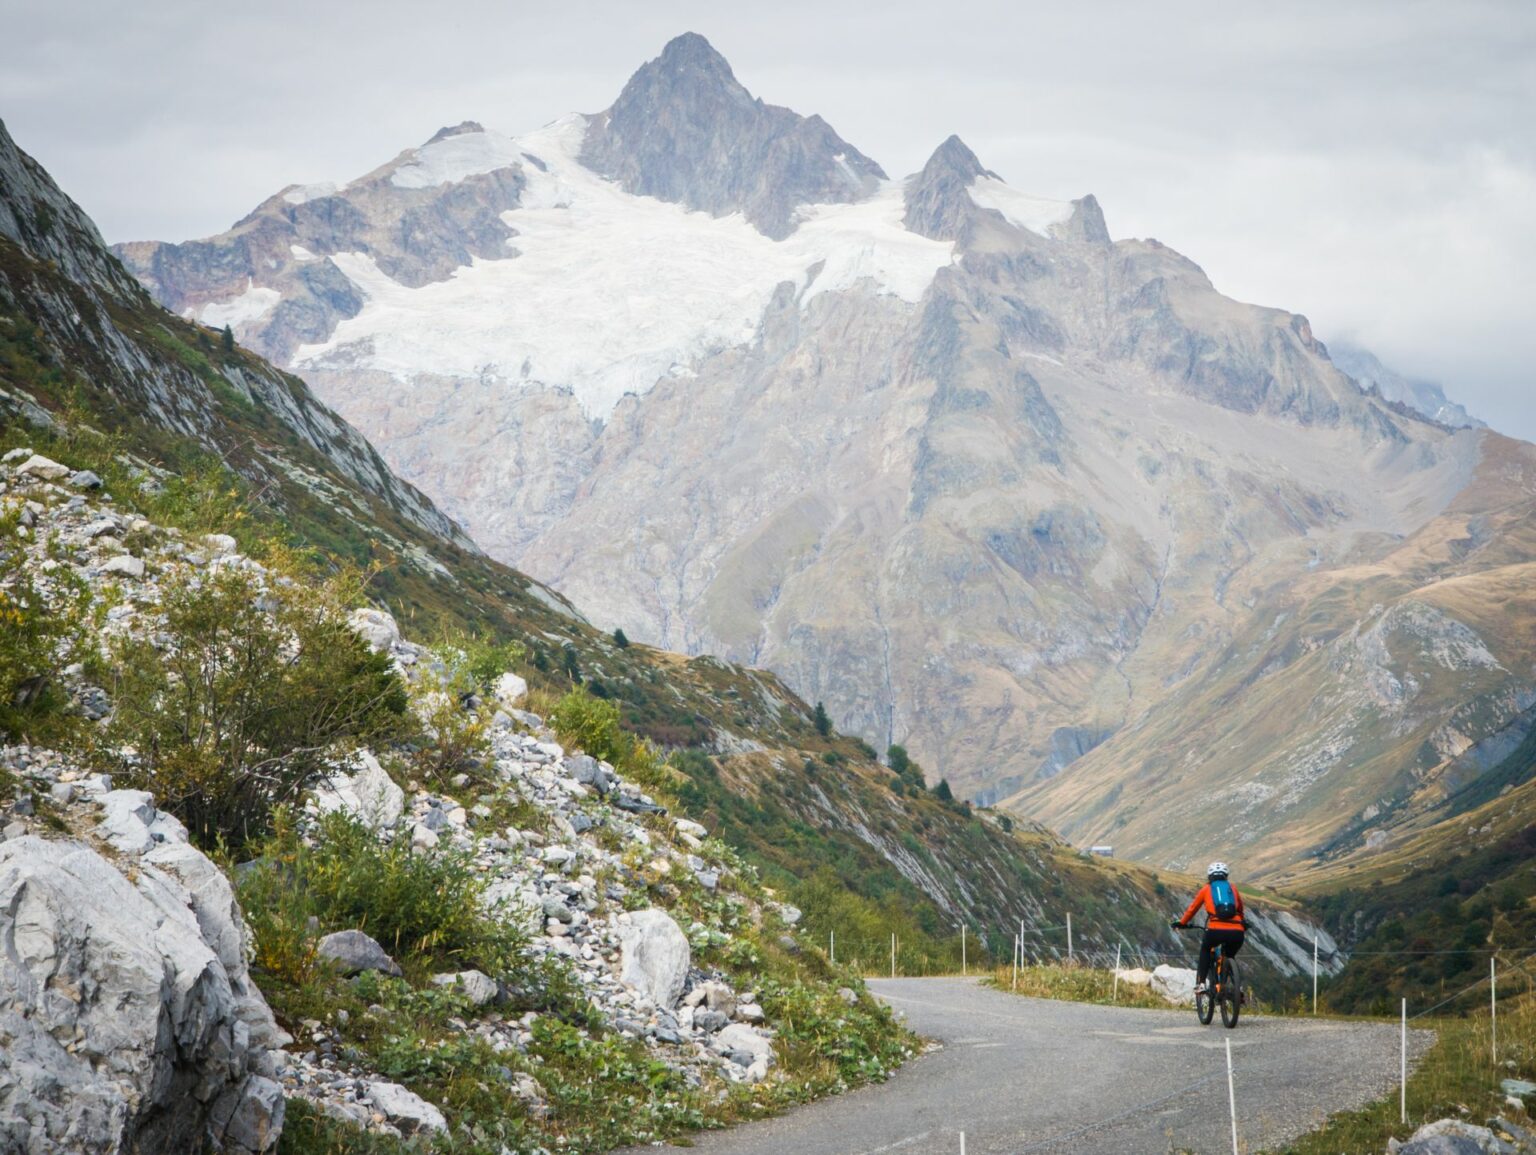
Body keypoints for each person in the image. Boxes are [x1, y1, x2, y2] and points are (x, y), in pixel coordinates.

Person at [1172, 861, 1246, 994]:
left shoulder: (1207, 889)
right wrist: (1242, 923)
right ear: (1226, 876)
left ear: (1209, 876)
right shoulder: (1232, 888)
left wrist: (1182, 922)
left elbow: (1192, 909)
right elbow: (1240, 908)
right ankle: (1237, 988)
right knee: (1230, 955)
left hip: (1216, 930)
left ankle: (1201, 984)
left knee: (1205, 949)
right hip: (1237, 931)